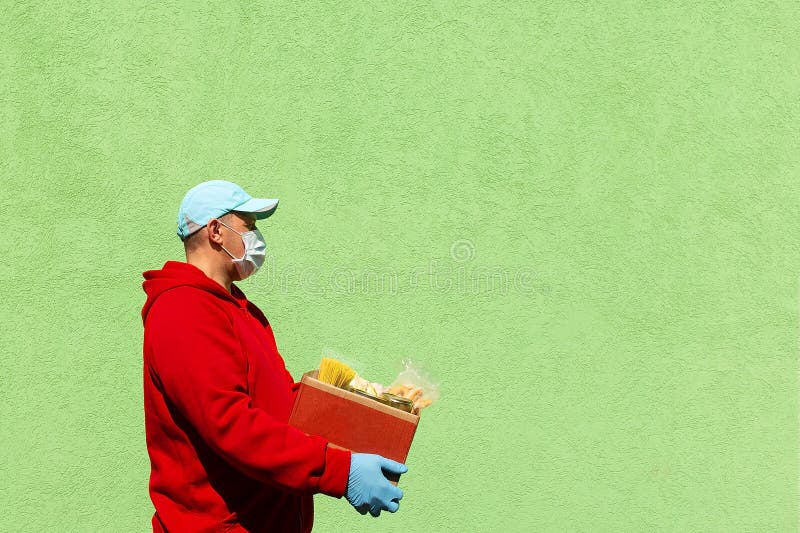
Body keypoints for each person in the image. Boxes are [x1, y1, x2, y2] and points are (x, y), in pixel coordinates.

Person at [140, 180, 407, 532]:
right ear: (216, 231)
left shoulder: (242, 311)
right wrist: (339, 471)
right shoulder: (184, 311)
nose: (257, 236)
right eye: (249, 225)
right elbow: (231, 425)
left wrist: (359, 407)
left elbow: (281, 408)